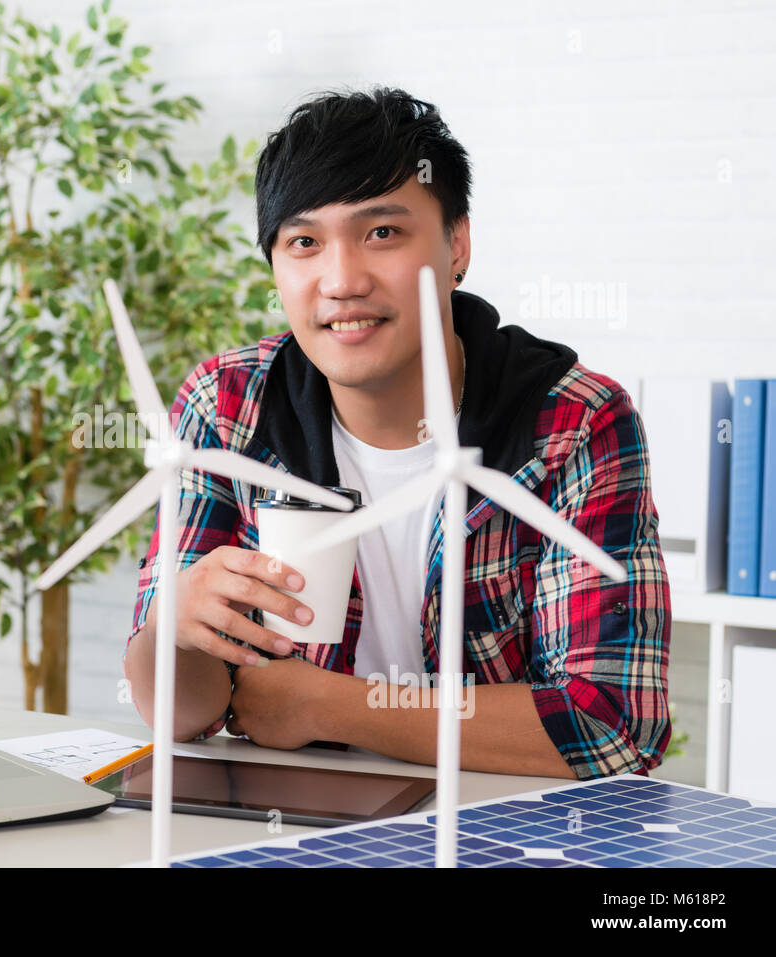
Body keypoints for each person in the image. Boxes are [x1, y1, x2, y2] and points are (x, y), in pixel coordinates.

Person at [124, 87, 671, 781]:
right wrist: (175, 626)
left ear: (457, 245)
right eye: (304, 242)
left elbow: (611, 722)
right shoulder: (227, 403)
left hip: (504, 834)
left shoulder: (573, 421)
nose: (342, 280)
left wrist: (327, 706)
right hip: (289, 826)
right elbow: (178, 712)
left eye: (382, 233)